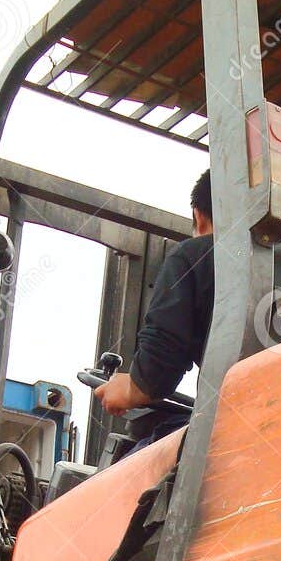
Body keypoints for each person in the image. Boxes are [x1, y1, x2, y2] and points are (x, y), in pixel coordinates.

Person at [94, 169, 214, 418]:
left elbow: (161, 360)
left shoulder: (193, 256)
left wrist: (132, 387)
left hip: (237, 428)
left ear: (198, 216)